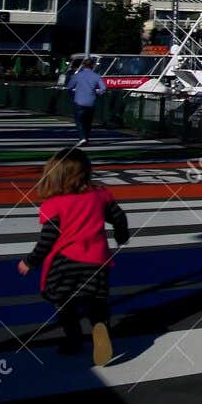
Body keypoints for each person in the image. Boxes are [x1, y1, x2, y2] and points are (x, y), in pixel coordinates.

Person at [17, 148, 130, 366]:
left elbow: (47, 241)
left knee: (65, 303)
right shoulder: (99, 196)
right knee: (96, 301)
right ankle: (100, 327)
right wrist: (121, 236)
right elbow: (118, 217)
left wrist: (30, 261)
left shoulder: (54, 205)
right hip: (97, 261)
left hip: (65, 263)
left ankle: (73, 339)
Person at [67, 57, 106, 144]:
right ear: (92, 66)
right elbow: (103, 88)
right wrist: (96, 93)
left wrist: (72, 95)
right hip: (91, 102)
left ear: (83, 65)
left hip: (79, 101)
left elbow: (69, 87)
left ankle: (82, 137)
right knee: (88, 121)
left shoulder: (77, 76)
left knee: (79, 121)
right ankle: (86, 137)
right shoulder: (96, 76)